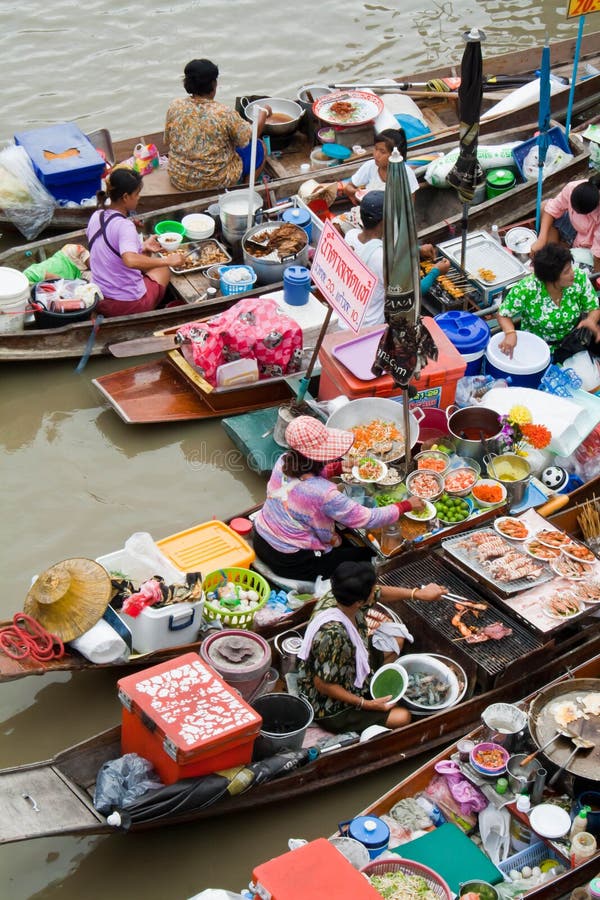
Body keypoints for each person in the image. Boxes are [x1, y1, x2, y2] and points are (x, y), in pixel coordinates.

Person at [252, 416, 424, 580]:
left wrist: (337, 468)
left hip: (261, 537)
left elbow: (303, 479)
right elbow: (369, 518)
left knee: (342, 541)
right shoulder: (325, 494)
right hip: (291, 560)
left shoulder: (283, 461)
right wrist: (406, 505)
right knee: (366, 555)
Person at [297, 561, 446, 733]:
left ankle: (369, 687)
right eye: (372, 589)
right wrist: (367, 704)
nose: (376, 590)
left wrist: (418, 594)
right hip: (329, 704)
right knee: (403, 717)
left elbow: (379, 592)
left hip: (352, 665)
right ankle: (365, 701)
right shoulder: (334, 636)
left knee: (397, 640)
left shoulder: (338, 595)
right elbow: (323, 684)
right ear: (359, 602)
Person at [342, 191, 451, 328]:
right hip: (367, 327)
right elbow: (412, 294)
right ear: (384, 222)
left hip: (347, 314)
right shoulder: (384, 260)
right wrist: (435, 271)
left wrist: (417, 250)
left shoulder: (351, 236)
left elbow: (383, 246)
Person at [164, 58, 271, 192]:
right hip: (215, 182)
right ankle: (245, 191)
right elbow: (250, 137)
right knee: (259, 147)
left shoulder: (175, 106)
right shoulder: (224, 113)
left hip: (179, 178)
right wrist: (264, 113)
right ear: (214, 85)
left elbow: (167, 141)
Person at [86, 168, 180, 318]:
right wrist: (168, 261)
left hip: (99, 297)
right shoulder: (125, 226)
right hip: (125, 303)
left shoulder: (97, 216)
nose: (138, 198)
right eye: (136, 194)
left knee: (148, 257)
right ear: (125, 197)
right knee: (163, 270)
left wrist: (142, 246)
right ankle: (146, 313)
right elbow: (130, 260)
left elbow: (110, 250)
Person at [497, 243, 600, 360]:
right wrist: (510, 333)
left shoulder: (579, 278)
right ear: (551, 278)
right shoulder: (527, 288)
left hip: (569, 342)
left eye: (570, 267)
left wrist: (591, 320)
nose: (572, 273)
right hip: (535, 346)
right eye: (566, 272)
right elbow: (503, 314)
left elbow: (593, 306)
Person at [529, 177, 600, 271]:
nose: (577, 213)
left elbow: (597, 255)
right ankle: (551, 255)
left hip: (591, 243)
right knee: (544, 207)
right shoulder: (573, 187)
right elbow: (552, 208)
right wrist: (542, 239)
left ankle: (559, 255)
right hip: (575, 228)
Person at [343, 128, 419, 204]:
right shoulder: (370, 166)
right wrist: (356, 193)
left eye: (382, 152)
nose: (376, 155)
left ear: (395, 154)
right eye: (376, 149)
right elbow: (348, 187)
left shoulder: (406, 173)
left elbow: (410, 204)